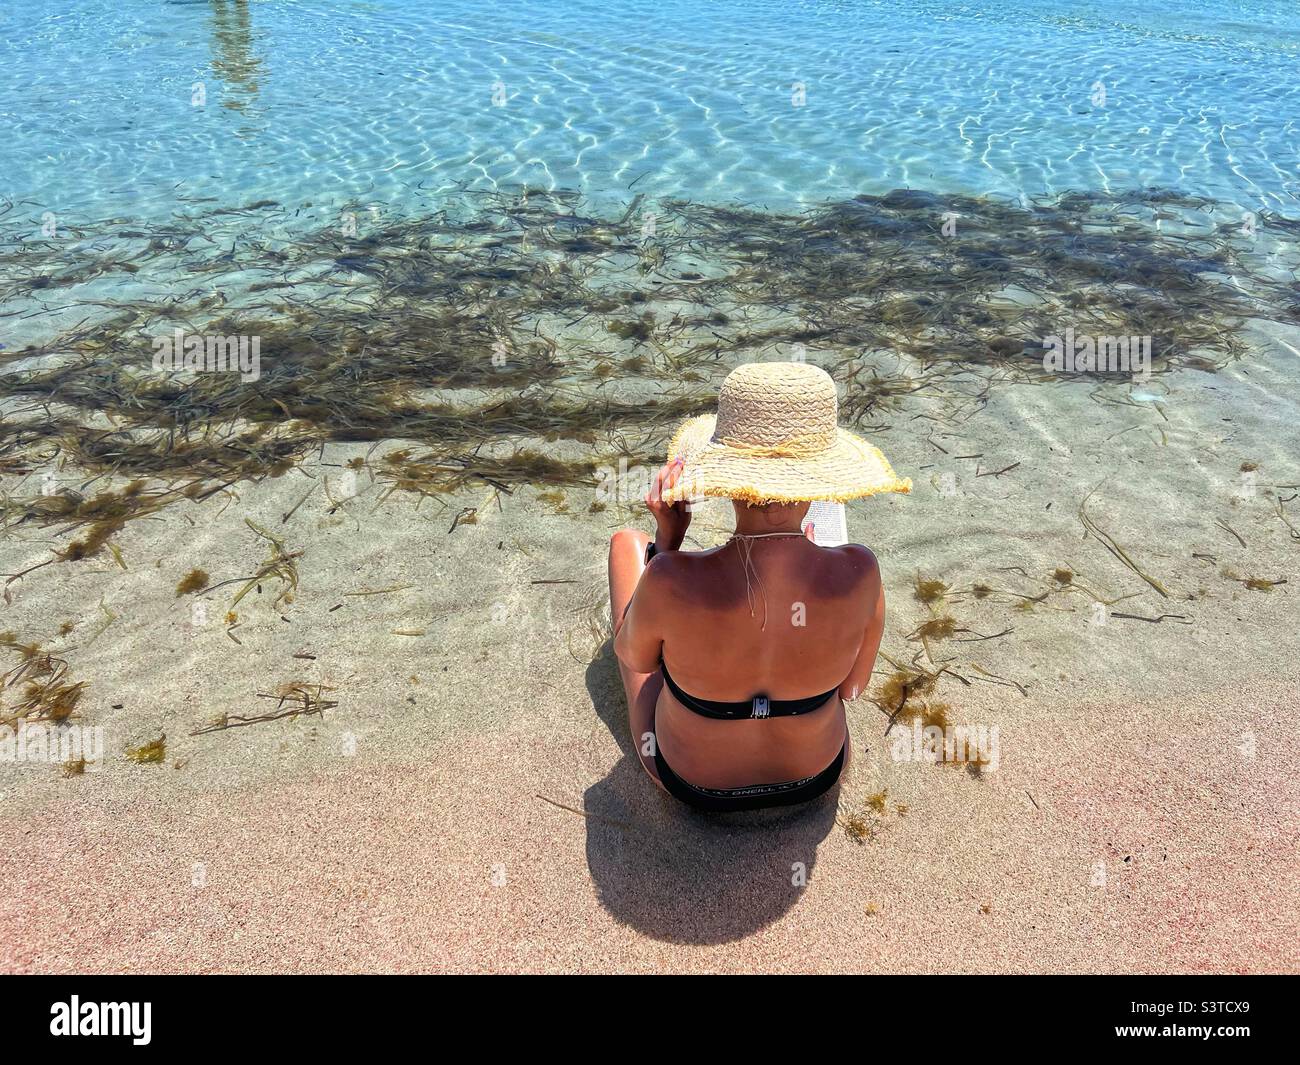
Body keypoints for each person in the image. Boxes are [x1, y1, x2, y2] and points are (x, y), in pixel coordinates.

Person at [607, 361, 910, 812]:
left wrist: (667, 548)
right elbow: (851, 690)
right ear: (820, 481)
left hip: (692, 782)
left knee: (626, 544)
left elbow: (635, 659)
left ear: (727, 479)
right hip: (816, 776)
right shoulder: (862, 572)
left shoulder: (672, 580)